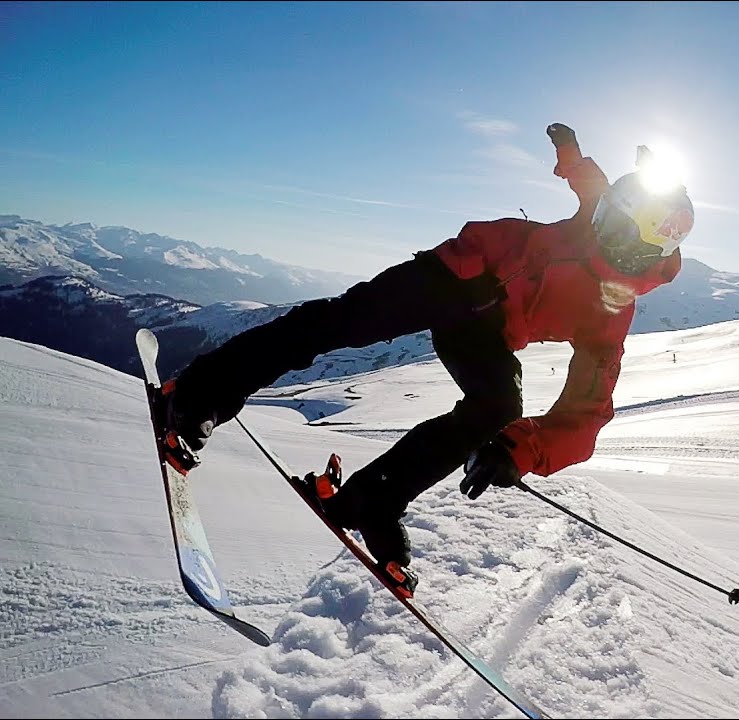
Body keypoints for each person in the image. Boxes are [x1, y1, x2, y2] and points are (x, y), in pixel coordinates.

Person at [155, 123, 693, 588]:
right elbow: (592, 185)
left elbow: (586, 412)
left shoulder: (610, 309)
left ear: (644, 248)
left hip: (487, 331)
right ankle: (200, 394)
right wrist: (570, 154)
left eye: (617, 228)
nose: (601, 225)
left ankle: (373, 500)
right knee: (343, 320)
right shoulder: (603, 212)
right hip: (455, 274)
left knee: (497, 408)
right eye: (607, 217)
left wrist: (518, 451)